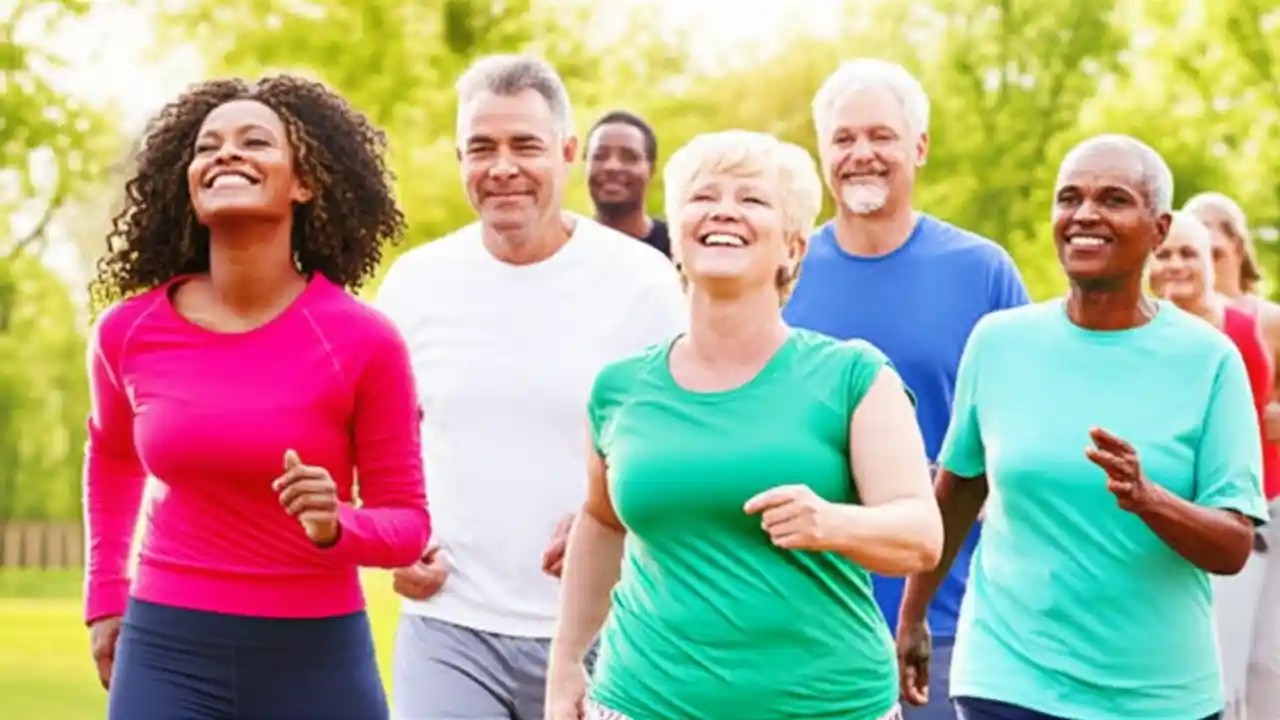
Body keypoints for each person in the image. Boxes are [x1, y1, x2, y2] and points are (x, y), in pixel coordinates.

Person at [545, 129, 944, 720]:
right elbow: (602, 524)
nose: (724, 210)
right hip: (644, 702)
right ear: (677, 239)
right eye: (703, 198)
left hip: (828, 707)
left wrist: (831, 522)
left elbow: (920, 536)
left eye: (752, 199)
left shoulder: (853, 376)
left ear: (793, 248)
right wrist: (566, 665)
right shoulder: (619, 389)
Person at [84, 75, 431, 720]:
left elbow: (408, 527)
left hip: (316, 658)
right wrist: (106, 597)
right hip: (168, 650)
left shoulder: (362, 340)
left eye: (255, 141)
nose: (226, 155)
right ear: (186, 184)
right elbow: (111, 457)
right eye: (207, 146)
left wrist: (337, 524)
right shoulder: (128, 332)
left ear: (304, 183)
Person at [898, 134, 1268, 720]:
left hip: (1157, 696)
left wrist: (1150, 500)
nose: (1085, 214)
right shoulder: (999, 342)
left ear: (1159, 229)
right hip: (1008, 679)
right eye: (1069, 198)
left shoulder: (1209, 360)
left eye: (1114, 199)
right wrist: (913, 616)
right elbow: (959, 490)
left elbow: (1232, 545)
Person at [377, 55, 686, 720]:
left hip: (609, 627)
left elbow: (686, 435)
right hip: (449, 625)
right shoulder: (416, 283)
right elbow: (374, 437)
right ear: (460, 156)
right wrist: (390, 539)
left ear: (569, 153)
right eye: (482, 147)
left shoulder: (643, 282)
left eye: (526, 145)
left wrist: (616, 511)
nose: (502, 167)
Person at [782, 58, 1028, 718]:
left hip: (949, 621)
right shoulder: (780, 271)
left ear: (918, 146)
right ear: (822, 152)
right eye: (843, 138)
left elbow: (1025, 445)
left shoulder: (982, 273)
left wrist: (954, 494)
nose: (862, 153)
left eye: (881, 136)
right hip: (802, 622)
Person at [1148, 210, 1273, 720]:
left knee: (1246, 659)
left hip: (1239, 511)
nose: (1177, 264)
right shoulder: (1139, 328)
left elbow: (1240, 425)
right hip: (1160, 513)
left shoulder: (1243, 330)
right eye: (1166, 253)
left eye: (1190, 254)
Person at [1184, 191, 1280, 719]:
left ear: (1238, 252)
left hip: (1271, 497)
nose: (1205, 265)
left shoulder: (1263, 322)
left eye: (1214, 253)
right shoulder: (1178, 322)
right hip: (1212, 506)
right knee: (1221, 654)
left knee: (1269, 659)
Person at [584, 110, 670, 257]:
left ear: (652, 169)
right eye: (600, 156)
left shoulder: (678, 249)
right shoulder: (568, 249)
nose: (612, 166)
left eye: (629, 157)